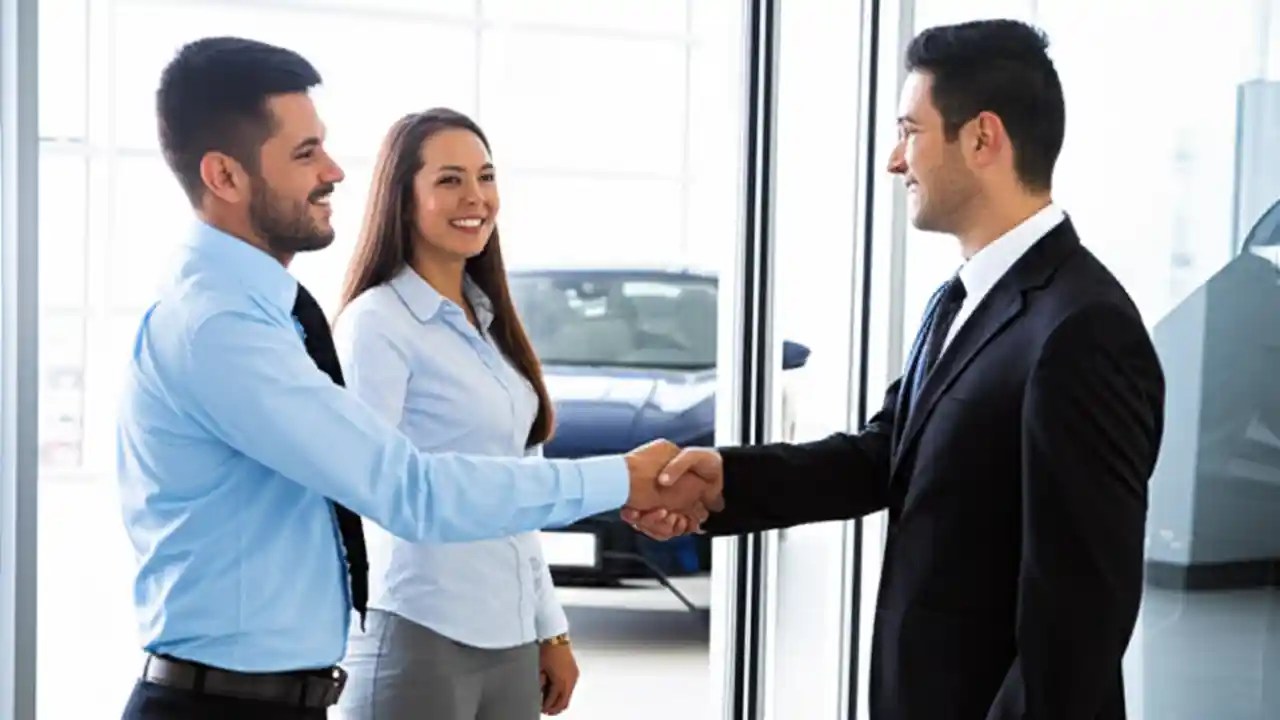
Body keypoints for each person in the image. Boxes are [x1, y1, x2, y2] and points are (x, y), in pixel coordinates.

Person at [115, 37, 714, 720]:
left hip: (284, 694)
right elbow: (405, 490)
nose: (335, 170)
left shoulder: (265, 313)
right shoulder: (221, 328)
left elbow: (476, 470)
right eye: (305, 153)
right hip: (232, 702)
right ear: (225, 176)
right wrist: (622, 478)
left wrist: (547, 619)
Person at [627, 19, 1166, 720]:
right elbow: (888, 455)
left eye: (910, 130)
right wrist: (726, 480)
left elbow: (1081, 614)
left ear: (981, 138)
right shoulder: (966, 297)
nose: (895, 159)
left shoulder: (1083, 330)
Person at [330, 108, 578, 719]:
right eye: (449, 180)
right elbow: (358, 496)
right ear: (403, 198)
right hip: (419, 627)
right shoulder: (376, 324)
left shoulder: (489, 322)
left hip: (512, 638)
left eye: (485, 176)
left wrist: (552, 629)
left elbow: (521, 491)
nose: (476, 197)